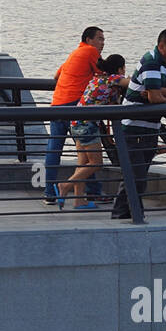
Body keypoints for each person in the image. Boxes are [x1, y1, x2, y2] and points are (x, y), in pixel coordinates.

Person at [111, 29, 166, 220]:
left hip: (150, 127)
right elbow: (156, 99)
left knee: (136, 175)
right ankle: (135, 216)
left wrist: (159, 93)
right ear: (162, 46)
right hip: (133, 127)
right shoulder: (152, 61)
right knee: (137, 177)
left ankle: (121, 216)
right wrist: (161, 96)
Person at [43, 26, 106, 205]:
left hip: (57, 104)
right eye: (99, 39)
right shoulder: (90, 52)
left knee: (54, 149)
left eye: (103, 40)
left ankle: (49, 193)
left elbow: (56, 76)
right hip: (74, 107)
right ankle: (94, 192)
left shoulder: (74, 54)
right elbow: (104, 75)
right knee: (86, 153)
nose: (102, 43)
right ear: (88, 39)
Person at [61, 55, 128, 210]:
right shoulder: (113, 79)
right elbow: (134, 85)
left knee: (82, 163)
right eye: (124, 68)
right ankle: (65, 185)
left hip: (76, 121)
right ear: (119, 69)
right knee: (96, 163)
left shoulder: (97, 79)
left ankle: (79, 200)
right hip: (88, 125)